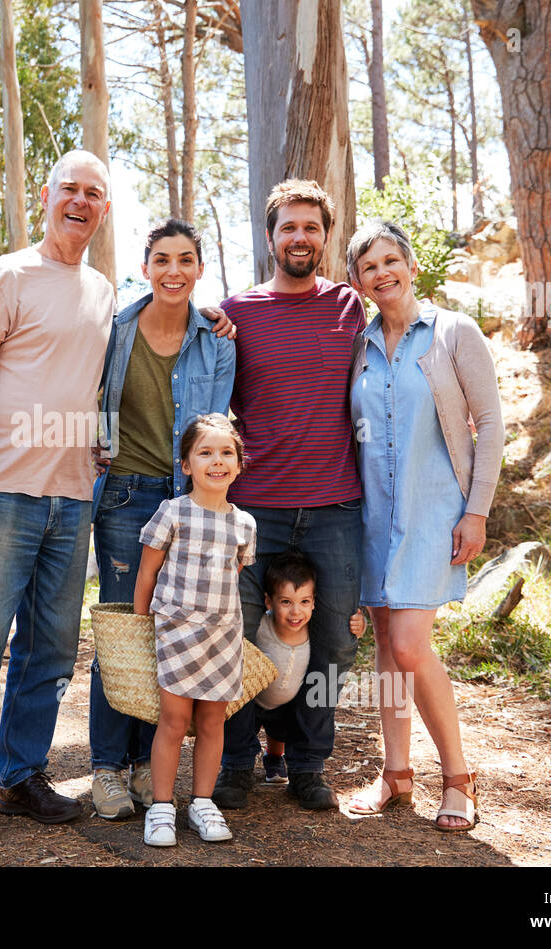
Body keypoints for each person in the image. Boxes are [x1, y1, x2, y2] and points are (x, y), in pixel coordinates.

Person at [0, 149, 115, 843]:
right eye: (69, 188)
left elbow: (90, 382)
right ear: (47, 195)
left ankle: (21, 777)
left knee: (48, 651)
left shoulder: (102, 290)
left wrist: (98, 441)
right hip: (2, 493)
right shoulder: (8, 275)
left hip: (73, 500)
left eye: (93, 193)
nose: (79, 201)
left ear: (104, 207)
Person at [343, 219, 503, 832]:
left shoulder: (453, 332)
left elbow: (489, 425)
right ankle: (396, 773)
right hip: (372, 518)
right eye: (368, 267)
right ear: (357, 281)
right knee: (385, 647)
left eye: (390, 261)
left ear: (411, 266)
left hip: (435, 512)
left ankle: (458, 778)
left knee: (410, 646)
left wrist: (477, 509)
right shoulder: (359, 345)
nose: (381, 274)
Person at [213, 179, 366, 813]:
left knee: (331, 640)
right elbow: (207, 396)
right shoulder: (236, 313)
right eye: (288, 228)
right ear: (270, 236)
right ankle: (236, 764)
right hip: (253, 509)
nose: (299, 238)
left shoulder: (352, 308)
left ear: (326, 237)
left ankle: (307, 764)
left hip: (335, 507)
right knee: (240, 637)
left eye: (311, 227)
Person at [87, 219, 236, 821]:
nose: (173, 270)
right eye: (161, 260)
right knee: (125, 629)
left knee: (177, 633)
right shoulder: (115, 330)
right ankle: (106, 768)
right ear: (145, 268)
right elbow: (89, 398)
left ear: (200, 269)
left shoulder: (219, 342)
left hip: (190, 502)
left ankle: (151, 763)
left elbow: (215, 424)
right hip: (123, 497)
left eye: (185, 260)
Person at [131, 414, 256, 846]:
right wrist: (141, 622)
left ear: (239, 464)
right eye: (205, 452)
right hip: (177, 632)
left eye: (226, 453)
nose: (216, 461)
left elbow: (233, 577)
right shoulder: (172, 513)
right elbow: (147, 573)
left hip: (223, 635)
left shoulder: (245, 524)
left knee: (212, 720)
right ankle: (162, 807)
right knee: (173, 719)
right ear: (186, 464)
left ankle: (202, 802)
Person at [252, 551, 367, 785]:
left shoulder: (314, 629)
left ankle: (274, 757)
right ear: (268, 602)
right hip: (254, 698)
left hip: (289, 701)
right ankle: (237, 764)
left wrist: (360, 625)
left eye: (304, 602)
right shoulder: (261, 626)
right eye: (286, 602)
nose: (296, 612)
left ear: (314, 602)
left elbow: (338, 640)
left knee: (283, 727)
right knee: (243, 725)